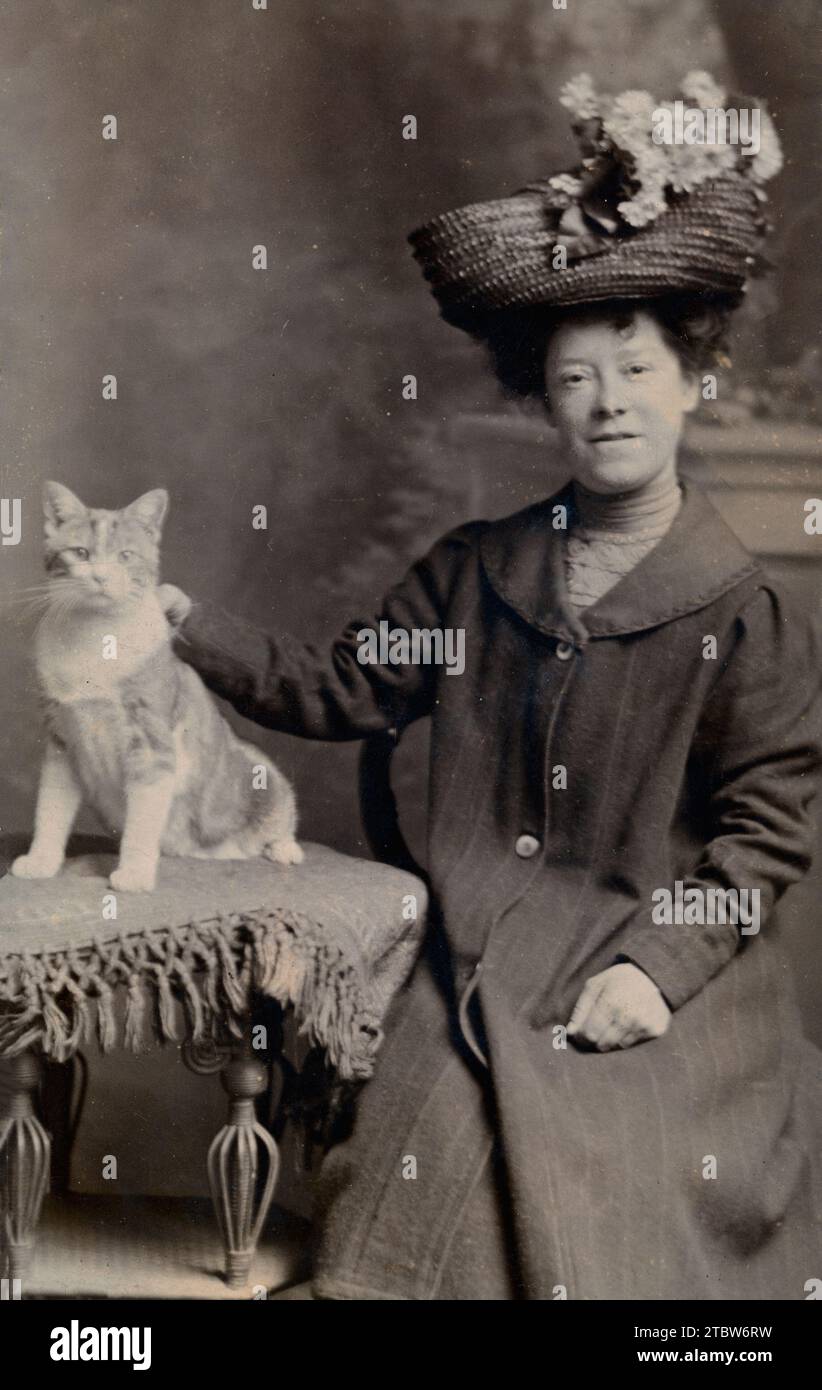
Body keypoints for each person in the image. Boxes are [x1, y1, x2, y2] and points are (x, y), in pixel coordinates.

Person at [162, 73, 822, 1298]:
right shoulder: (478, 578)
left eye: (636, 369)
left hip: (655, 958)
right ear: (541, 399)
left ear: (694, 381)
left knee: (617, 1201)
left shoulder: (746, 608)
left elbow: (762, 838)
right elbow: (339, 687)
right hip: (474, 947)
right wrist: (184, 623)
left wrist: (653, 975)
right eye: (575, 378)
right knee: (419, 1177)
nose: (609, 402)